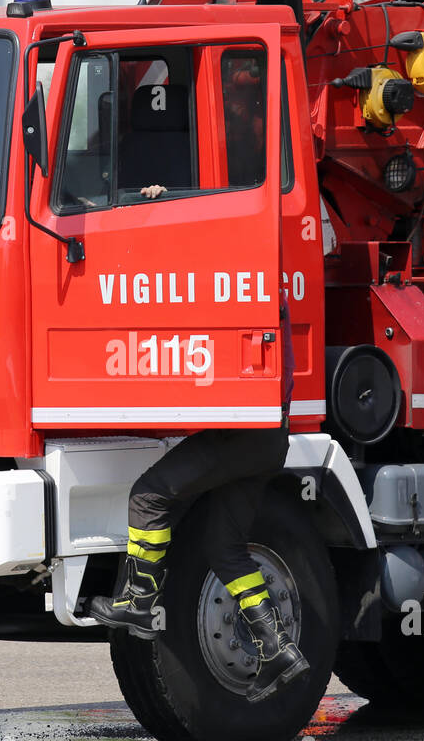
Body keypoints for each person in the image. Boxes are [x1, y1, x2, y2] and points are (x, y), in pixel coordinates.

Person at [88, 291, 308, 704]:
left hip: (245, 432)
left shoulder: (246, 292)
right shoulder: (262, 290)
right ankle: (277, 647)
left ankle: (139, 600)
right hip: (270, 434)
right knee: (224, 548)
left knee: (148, 498)